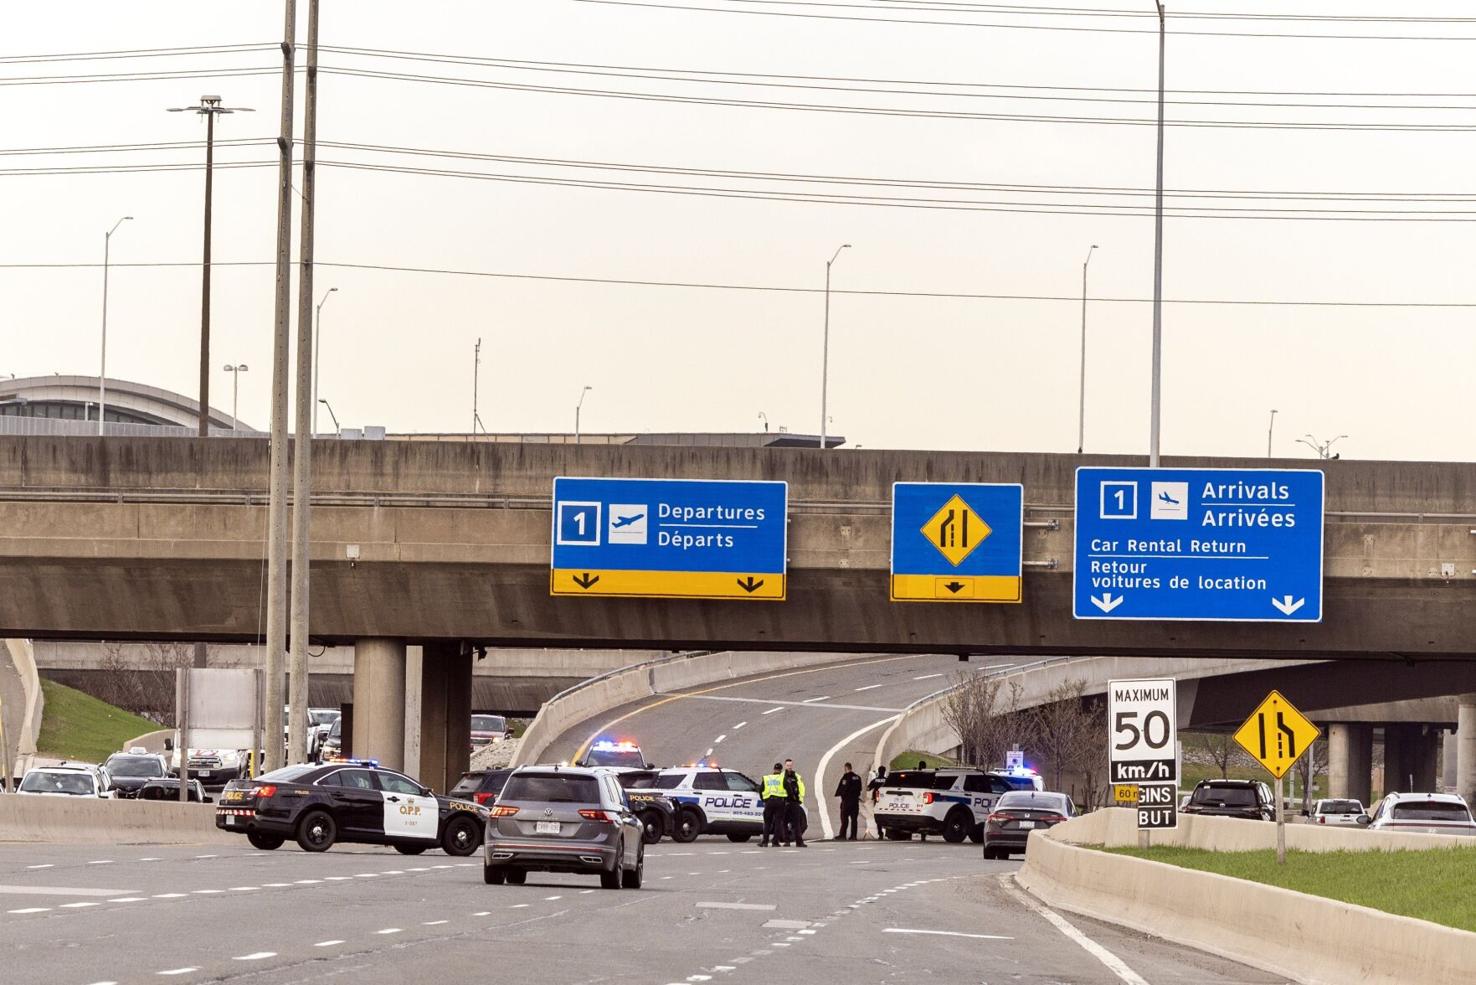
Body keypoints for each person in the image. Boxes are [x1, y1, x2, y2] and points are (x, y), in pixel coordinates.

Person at [781, 758, 807, 848]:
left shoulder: (796, 776)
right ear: (785, 766)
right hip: (785, 802)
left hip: (794, 802)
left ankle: (799, 842)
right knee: (784, 823)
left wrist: (799, 799)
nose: (789, 767)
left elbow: (801, 788)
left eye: (790, 765)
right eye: (788, 765)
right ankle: (786, 841)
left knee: (797, 823)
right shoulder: (781, 776)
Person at [759, 762, 785, 847]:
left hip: (769, 802)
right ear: (781, 770)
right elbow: (789, 790)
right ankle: (775, 842)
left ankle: (765, 842)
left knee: (767, 823)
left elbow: (760, 790)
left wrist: (764, 799)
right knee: (778, 822)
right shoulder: (782, 778)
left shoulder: (767, 778)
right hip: (779, 802)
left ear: (773, 770)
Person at [834, 761, 862, 841]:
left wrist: (842, 797)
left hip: (847, 801)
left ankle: (842, 835)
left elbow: (843, 788)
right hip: (855, 802)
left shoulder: (846, 777)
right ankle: (853, 836)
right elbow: (860, 789)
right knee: (854, 820)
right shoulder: (857, 777)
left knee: (844, 819)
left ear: (846, 768)